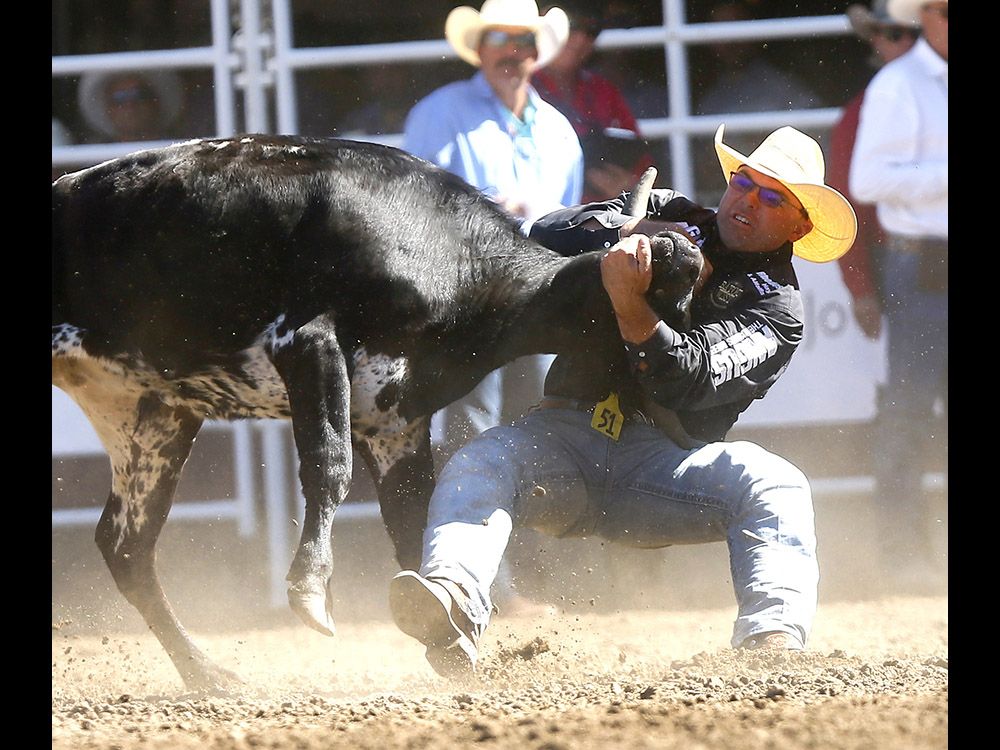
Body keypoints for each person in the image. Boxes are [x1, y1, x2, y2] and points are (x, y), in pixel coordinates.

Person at [388, 123, 858, 678]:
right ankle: (452, 603)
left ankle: (772, 647)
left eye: (773, 196)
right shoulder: (666, 211)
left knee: (776, 484)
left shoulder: (778, 311)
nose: (748, 200)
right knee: (479, 458)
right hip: (562, 440)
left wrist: (631, 305)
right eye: (745, 181)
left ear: (800, 225)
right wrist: (620, 226)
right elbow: (541, 233)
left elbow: (687, 379)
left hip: (663, 467)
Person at [403, 0, 585, 614]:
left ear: (539, 51)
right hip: (466, 299)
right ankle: (484, 585)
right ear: (480, 47)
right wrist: (487, 212)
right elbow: (415, 203)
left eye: (525, 41)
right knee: (468, 432)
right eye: (502, 39)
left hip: (539, 301)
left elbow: (570, 223)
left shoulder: (558, 130)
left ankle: (530, 582)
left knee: (544, 431)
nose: (514, 52)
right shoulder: (438, 114)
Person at [848, 0, 947, 593]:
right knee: (908, 410)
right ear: (927, 17)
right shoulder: (897, 85)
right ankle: (901, 556)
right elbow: (865, 181)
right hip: (925, 264)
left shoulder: (905, 83)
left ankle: (907, 556)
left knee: (908, 411)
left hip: (925, 262)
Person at [829, 1, 919, 339]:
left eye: (916, 34)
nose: (908, 44)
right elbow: (846, 210)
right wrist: (861, 289)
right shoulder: (858, 120)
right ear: (876, 40)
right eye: (896, 34)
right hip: (905, 263)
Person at [531, 2, 653, 202]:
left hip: (601, 217)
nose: (580, 39)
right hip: (538, 217)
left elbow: (643, 166)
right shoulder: (518, 88)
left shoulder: (603, 90)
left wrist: (628, 189)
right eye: (571, 25)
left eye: (591, 29)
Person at [77, 69, 184, 142]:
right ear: (107, 109)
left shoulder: (182, 152)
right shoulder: (94, 162)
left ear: (156, 102)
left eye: (139, 94)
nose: (130, 104)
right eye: (119, 98)